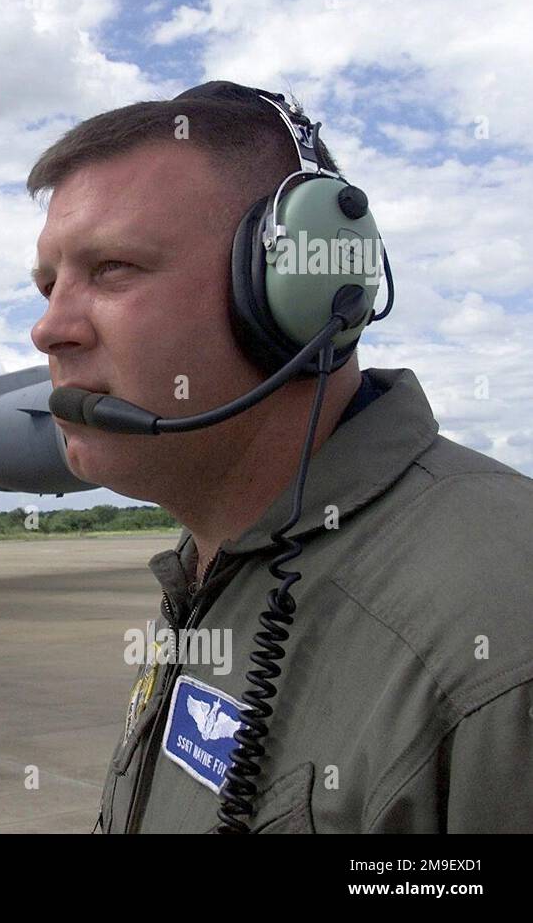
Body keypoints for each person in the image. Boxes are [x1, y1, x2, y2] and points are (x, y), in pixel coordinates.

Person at [28, 80, 533, 833]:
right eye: (46, 284)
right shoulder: (220, 565)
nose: (48, 330)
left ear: (299, 290)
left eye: (113, 269)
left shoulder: (498, 629)